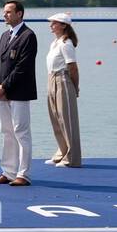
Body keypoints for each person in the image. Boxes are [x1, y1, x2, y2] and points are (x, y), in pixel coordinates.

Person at [0, 0, 38, 186]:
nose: (5, 15)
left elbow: (22, 67)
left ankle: (23, 174)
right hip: (1, 93)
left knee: (21, 132)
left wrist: (5, 86)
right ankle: (8, 171)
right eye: (4, 12)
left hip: (19, 92)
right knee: (7, 131)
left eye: (9, 12)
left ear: (19, 14)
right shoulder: (4, 36)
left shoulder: (28, 36)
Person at [44, 11, 82, 168]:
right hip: (51, 79)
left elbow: (73, 67)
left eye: (54, 23)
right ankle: (62, 152)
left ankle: (72, 158)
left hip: (63, 80)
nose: (51, 25)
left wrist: (75, 86)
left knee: (68, 121)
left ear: (63, 25)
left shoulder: (66, 44)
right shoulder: (55, 43)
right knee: (56, 119)